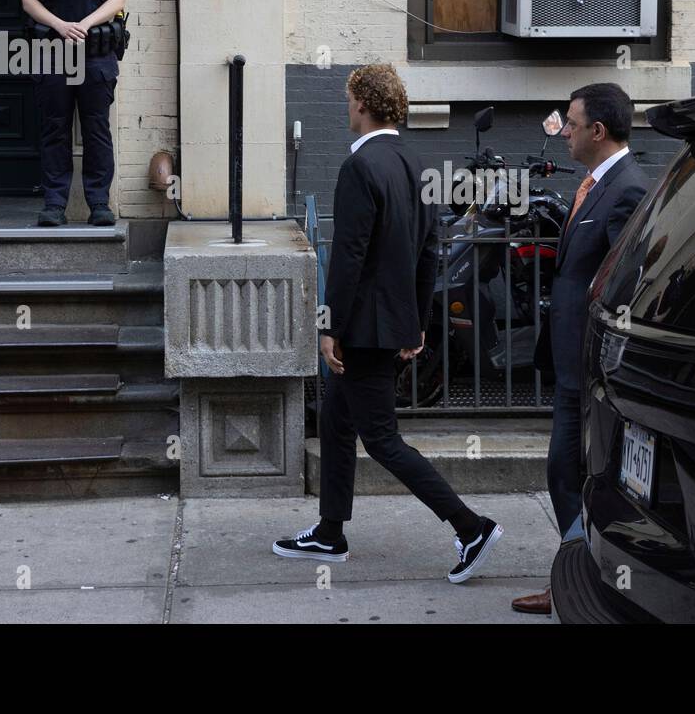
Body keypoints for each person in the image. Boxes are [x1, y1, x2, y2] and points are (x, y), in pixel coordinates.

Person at [273, 64, 504, 583]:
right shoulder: (415, 163)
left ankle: (471, 527)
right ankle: (330, 532)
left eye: (348, 98)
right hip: (389, 323)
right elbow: (430, 251)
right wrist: (417, 322)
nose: (344, 106)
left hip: (363, 330)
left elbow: (350, 256)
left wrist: (329, 325)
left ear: (362, 104)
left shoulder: (360, 167)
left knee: (381, 440)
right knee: (336, 422)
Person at [513, 82, 648, 615]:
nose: (563, 131)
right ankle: (578, 574)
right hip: (571, 363)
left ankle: (577, 581)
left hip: (590, 366)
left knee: (569, 469)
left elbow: (622, 284)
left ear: (597, 130)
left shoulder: (628, 189)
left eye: (571, 123)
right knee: (566, 470)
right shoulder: (594, 185)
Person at [20, 0, 132, 227]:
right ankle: (55, 205)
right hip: (53, 54)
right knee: (55, 129)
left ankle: (99, 204)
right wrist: (60, 25)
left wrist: (85, 24)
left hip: (96, 55)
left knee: (97, 129)